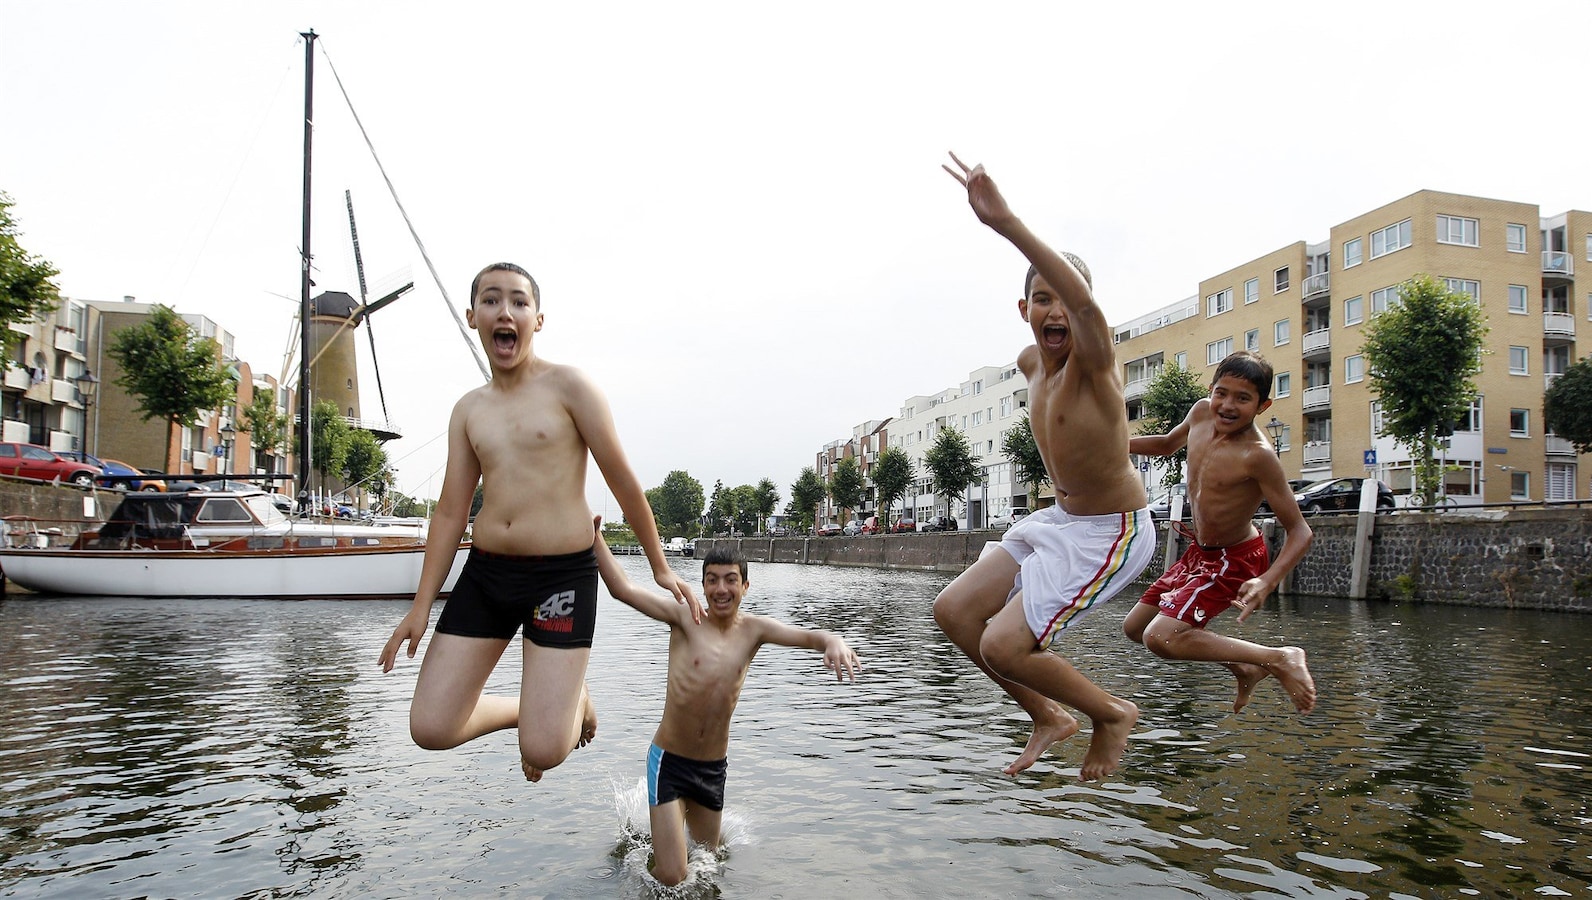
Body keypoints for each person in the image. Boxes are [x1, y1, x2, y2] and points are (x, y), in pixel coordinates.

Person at [378, 262, 701, 783]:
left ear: (538, 319)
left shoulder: (570, 387)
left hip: (559, 578)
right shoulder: (468, 411)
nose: (505, 311)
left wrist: (660, 567)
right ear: (472, 316)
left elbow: (622, 480)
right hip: (486, 576)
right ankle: (533, 708)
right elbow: (448, 512)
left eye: (519, 302)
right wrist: (420, 607)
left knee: (547, 749)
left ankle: (568, 703)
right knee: (430, 728)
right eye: (490, 300)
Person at [933, 153, 1156, 782]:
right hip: (1060, 520)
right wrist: (1148, 446)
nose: (1056, 311)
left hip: (1113, 530)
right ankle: (1047, 716)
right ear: (1023, 307)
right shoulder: (1032, 366)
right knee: (954, 612)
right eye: (1041, 299)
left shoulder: (1094, 359)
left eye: (1066, 300)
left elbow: (1083, 307)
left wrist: (1004, 222)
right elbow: (1097, 438)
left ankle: (1110, 715)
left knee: (1004, 643)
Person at [593, 528, 860, 887]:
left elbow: (811, 637)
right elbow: (621, 588)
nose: (721, 589)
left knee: (707, 867)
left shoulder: (754, 631)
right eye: (712, 580)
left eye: (731, 580)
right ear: (702, 586)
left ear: (745, 586)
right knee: (673, 875)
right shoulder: (685, 618)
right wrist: (594, 536)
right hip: (669, 762)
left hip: (712, 769)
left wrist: (834, 640)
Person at [1125, 351, 1317, 714]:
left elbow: (1300, 531)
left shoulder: (1258, 455)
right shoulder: (1199, 413)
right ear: (1210, 390)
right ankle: (1243, 666)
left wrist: (1268, 581)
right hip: (1199, 553)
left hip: (1235, 559)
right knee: (1137, 628)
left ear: (1263, 405)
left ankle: (1279, 657)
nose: (1228, 405)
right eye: (1221, 393)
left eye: (1243, 399)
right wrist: (1110, 444)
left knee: (1161, 637)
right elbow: (1167, 444)